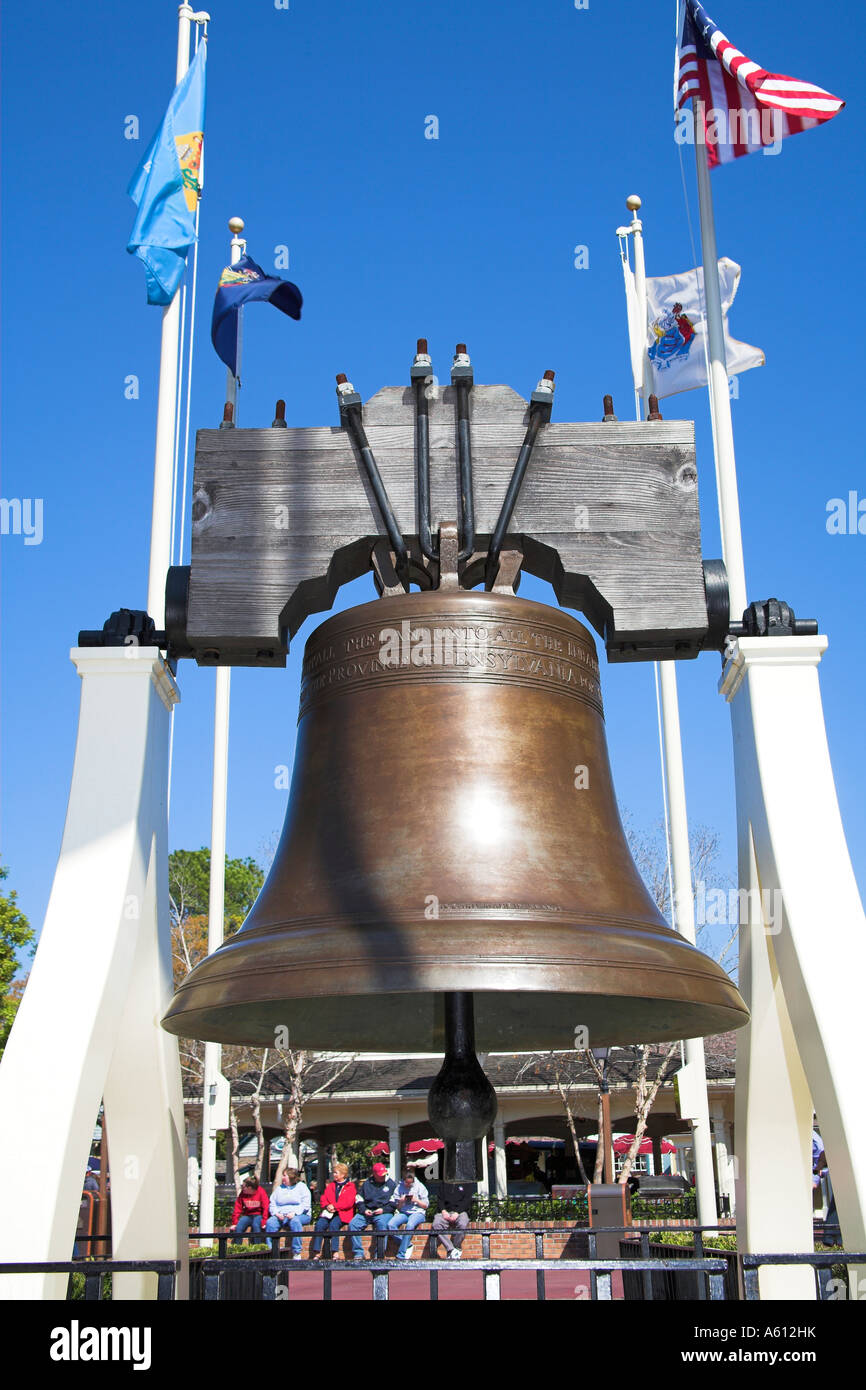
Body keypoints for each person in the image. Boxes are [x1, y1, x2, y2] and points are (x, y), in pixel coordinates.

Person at [349, 1161, 397, 1261]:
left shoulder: (391, 1184)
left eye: (384, 1174)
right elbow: (359, 1199)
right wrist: (364, 1210)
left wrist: (383, 1210)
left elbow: (394, 1202)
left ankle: (379, 1254)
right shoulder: (366, 1184)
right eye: (380, 1175)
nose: (383, 1176)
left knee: (382, 1225)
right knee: (353, 1224)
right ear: (374, 1174)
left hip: (383, 1212)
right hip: (367, 1212)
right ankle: (358, 1253)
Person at [309, 1162, 357, 1259]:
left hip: (342, 1213)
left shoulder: (350, 1186)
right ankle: (317, 1252)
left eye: (336, 1173)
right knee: (320, 1224)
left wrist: (335, 1206)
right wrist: (327, 1206)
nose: (334, 1175)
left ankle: (334, 1251)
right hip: (329, 1212)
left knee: (334, 1225)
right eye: (334, 1173)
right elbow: (324, 1198)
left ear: (343, 1174)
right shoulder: (331, 1186)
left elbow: (348, 1203)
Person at [265, 1167, 312, 1258]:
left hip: (300, 1214)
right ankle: (271, 1250)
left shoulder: (302, 1187)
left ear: (291, 1177)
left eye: (284, 1175)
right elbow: (272, 1203)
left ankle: (296, 1252)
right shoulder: (279, 1189)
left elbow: (306, 1205)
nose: (282, 1177)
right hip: (282, 1215)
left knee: (295, 1221)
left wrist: (294, 1213)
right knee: (270, 1222)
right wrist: (276, 1213)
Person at [387, 1167, 429, 1260]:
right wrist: (401, 1201)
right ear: (403, 1180)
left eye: (410, 1183)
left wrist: (417, 1200)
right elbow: (397, 1207)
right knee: (390, 1224)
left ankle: (401, 1254)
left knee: (410, 1225)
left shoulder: (420, 1187)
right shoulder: (399, 1187)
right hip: (404, 1212)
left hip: (418, 1212)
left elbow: (426, 1206)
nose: (408, 1185)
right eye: (406, 1183)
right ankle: (407, 1244)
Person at [432, 1179, 473, 1259]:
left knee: (463, 1224)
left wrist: (457, 1212)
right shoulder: (444, 1183)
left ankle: (457, 1247)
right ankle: (451, 1249)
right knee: (436, 1224)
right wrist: (443, 1211)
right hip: (445, 1212)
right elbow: (440, 1199)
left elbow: (467, 1200)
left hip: (460, 1212)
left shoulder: (466, 1183)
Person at [232, 1176, 269, 1240]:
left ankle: (257, 1246)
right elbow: (237, 1208)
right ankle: (237, 1246)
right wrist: (235, 1222)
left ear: (250, 1188)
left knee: (256, 1225)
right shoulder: (242, 1194)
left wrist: (264, 1221)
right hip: (248, 1215)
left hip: (258, 1215)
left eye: (243, 1187)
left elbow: (266, 1207)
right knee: (239, 1227)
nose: (242, 1189)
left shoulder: (261, 1192)